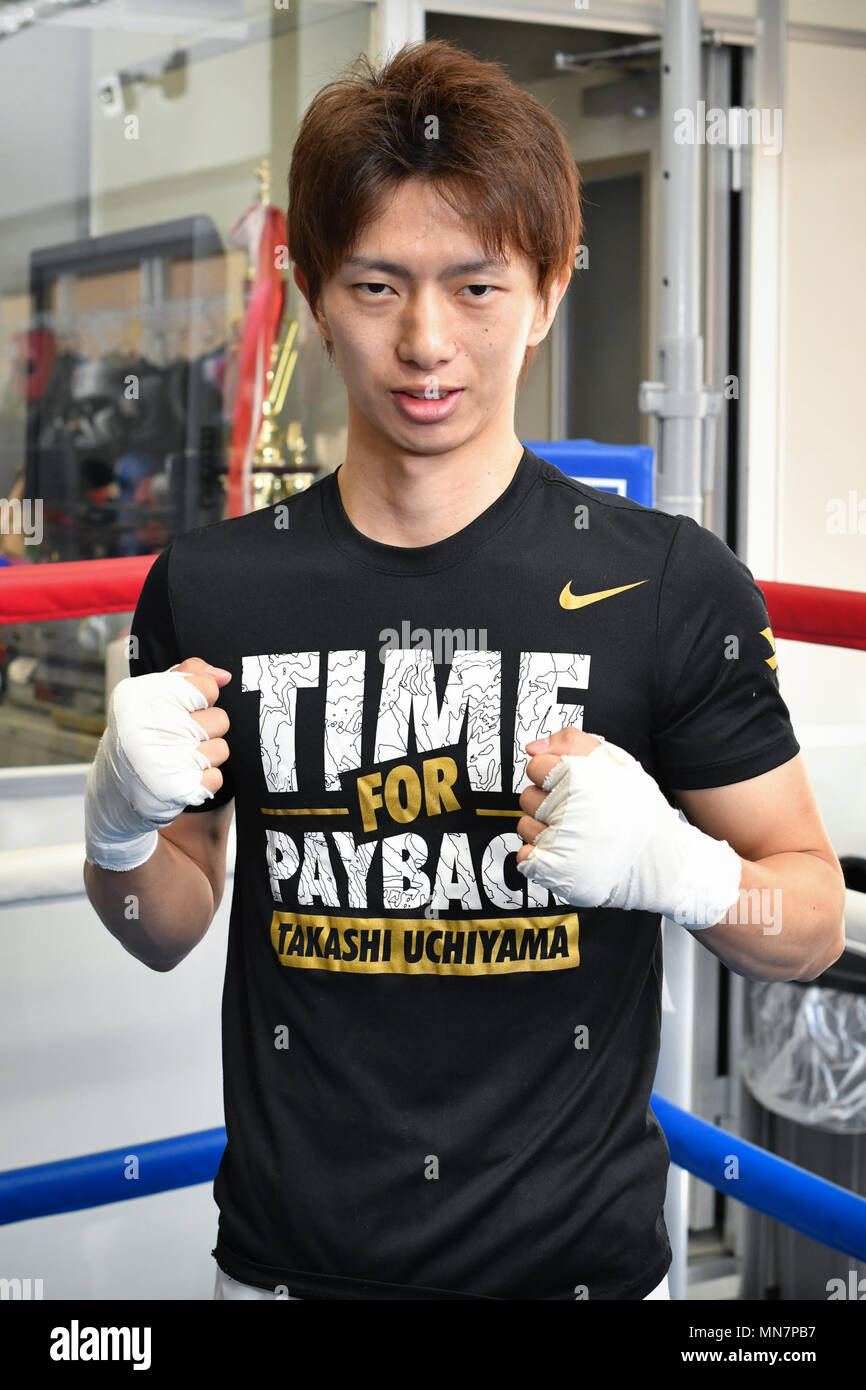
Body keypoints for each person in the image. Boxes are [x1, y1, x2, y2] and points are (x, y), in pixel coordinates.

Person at [82, 39, 845, 1302]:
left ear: (545, 292)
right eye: (377, 286)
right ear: (316, 294)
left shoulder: (664, 582)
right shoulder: (217, 585)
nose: (426, 341)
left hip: (576, 1274)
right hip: (290, 1270)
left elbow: (808, 922)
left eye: (475, 286)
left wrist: (683, 869)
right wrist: (115, 835)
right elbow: (167, 929)